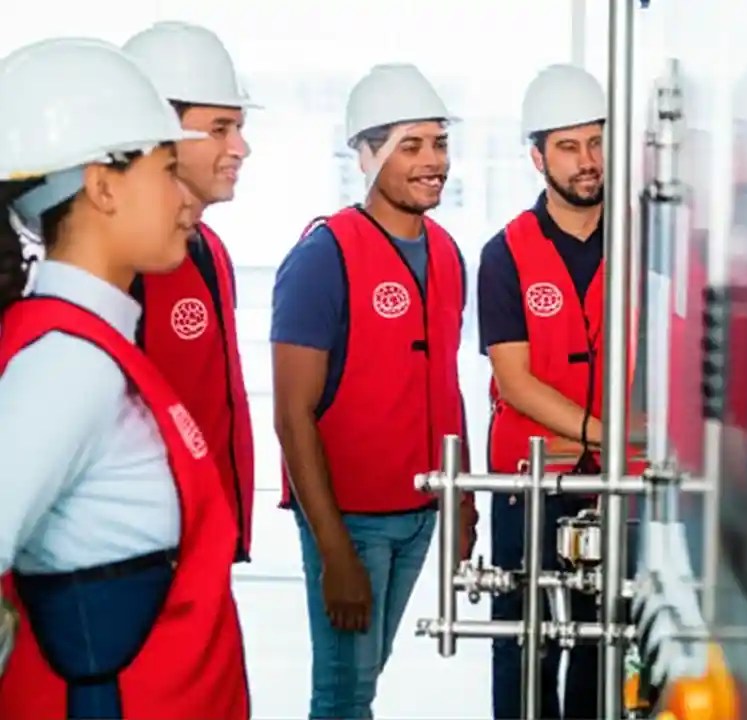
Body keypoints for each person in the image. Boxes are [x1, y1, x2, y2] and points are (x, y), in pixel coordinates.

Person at [0, 37, 248, 719]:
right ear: (102, 186)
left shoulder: (95, 345)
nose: (181, 194)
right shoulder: (67, 365)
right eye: (166, 169)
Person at [271, 62, 476, 719]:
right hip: (351, 518)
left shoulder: (447, 253)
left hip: (421, 510)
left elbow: (445, 384)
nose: (433, 162)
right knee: (343, 696)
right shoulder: (322, 257)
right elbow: (292, 414)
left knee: (364, 679)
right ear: (367, 155)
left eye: (439, 143)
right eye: (410, 147)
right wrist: (334, 550)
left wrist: (463, 498)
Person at [479, 63, 643, 720]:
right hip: (532, 483)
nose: (587, 161)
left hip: (621, 485)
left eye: (596, 143)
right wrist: (606, 434)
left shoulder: (644, 243)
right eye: (569, 146)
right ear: (538, 157)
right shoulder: (504, 254)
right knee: (526, 645)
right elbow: (514, 380)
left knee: (606, 645)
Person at [122, 21, 257, 562]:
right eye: (220, 129)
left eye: (239, 128)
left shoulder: (210, 250)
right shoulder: (123, 264)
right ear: (157, 133)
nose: (241, 148)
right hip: (145, 556)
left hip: (208, 541)